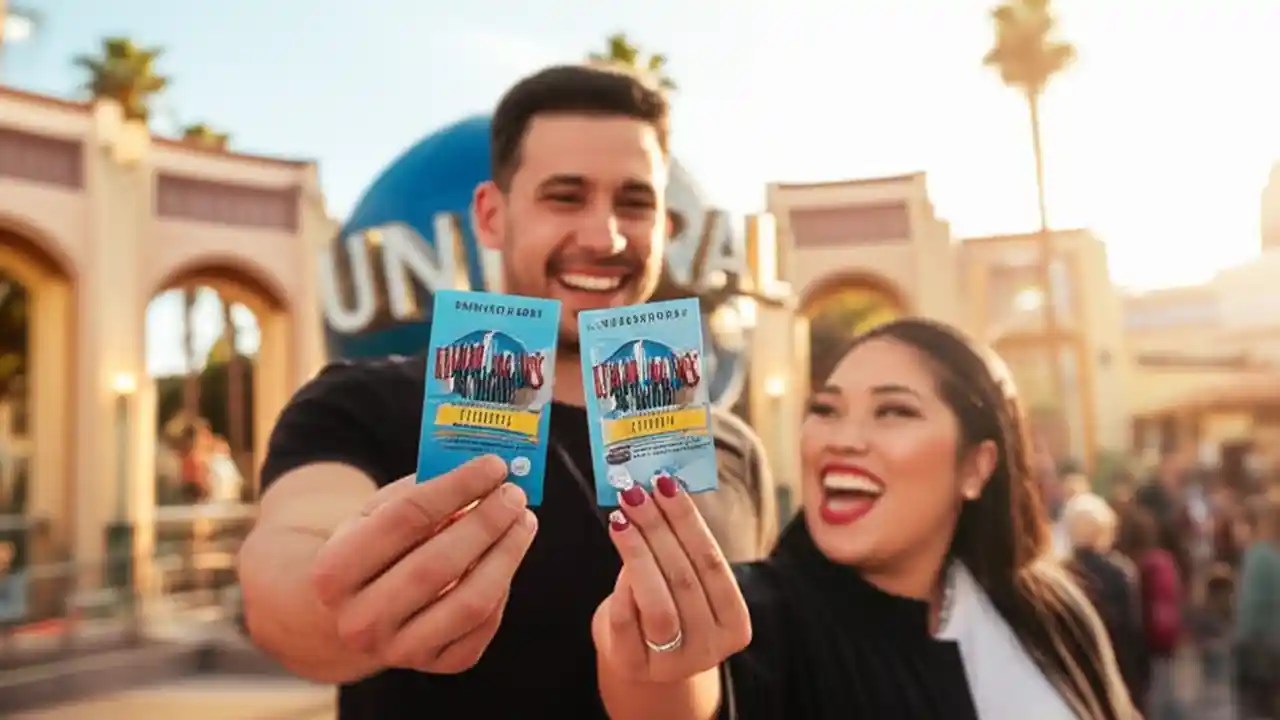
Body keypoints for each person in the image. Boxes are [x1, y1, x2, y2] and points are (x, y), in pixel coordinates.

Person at [236, 63, 774, 720]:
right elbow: (289, 560)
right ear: (492, 215)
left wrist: (669, 674)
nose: (603, 237)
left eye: (635, 203)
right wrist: (339, 599)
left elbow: (731, 676)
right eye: (565, 197)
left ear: (666, 227)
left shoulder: (732, 450)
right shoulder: (363, 404)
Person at [593, 318, 1137, 720]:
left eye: (894, 411)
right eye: (826, 409)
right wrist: (653, 662)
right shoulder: (758, 619)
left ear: (977, 466)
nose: (843, 439)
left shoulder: (1051, 609)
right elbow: (678, 698)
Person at [1061, 491, 1147, 704]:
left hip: (1073, 679)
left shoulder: (1059, 574)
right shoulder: (1120, 572)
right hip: (1114, 672)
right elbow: (1132, 631)